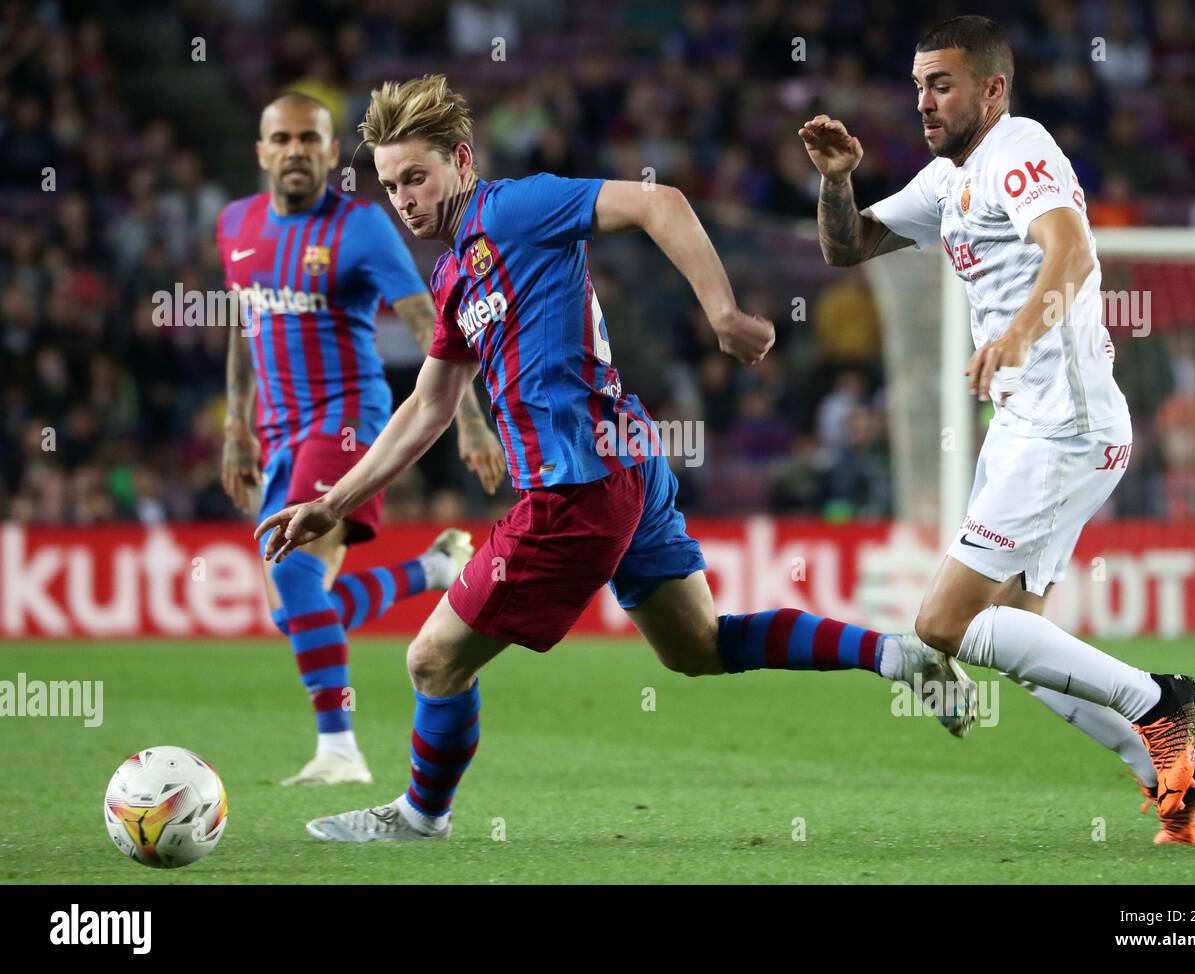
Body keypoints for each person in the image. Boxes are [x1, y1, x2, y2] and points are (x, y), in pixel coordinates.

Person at [256, 74, 975, 843]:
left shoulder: (517, 208)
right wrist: (333, 503)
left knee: (433, 662)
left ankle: (420, 816)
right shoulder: (453, 272)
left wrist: (722, 312)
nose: (402, 198)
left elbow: (660, 203)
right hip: (626, 467)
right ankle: (900, 658)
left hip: (577, 489)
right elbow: (429, 406)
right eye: (391, 184)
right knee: (698, 648)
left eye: (416, 177)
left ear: (461, 161)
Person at [800, 15, 1195, 844]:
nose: (923, 100)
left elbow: (1070, 251)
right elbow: (846, 250)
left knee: (941, 626)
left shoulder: (1019, 147)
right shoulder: (947, 179)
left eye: (942, 84)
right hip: (1029, 425)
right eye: (918, 83)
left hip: (1061, 422)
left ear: (992, 88)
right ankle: (1169, 778)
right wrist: (838, 180)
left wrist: (1019, 334)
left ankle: (1159, 703)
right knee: (1018, 633)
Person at [219, 92, 506, 786]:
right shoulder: (235, 226)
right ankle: (428, 573)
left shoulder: (361, 230)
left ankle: (339, 748)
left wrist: (467, 416)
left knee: (291, 568)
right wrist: (236, 424)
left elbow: (427, 321)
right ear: (262, 152)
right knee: (295, 613)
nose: (294, 150)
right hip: (279, 431)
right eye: (281, 138)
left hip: (346, 420)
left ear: (329, 153)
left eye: (309, 139)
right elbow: (243, 325)